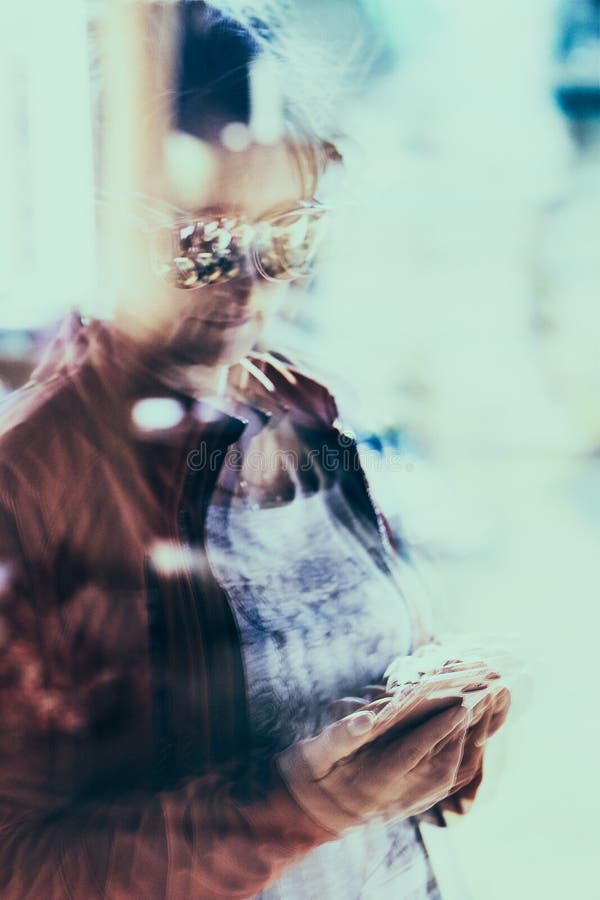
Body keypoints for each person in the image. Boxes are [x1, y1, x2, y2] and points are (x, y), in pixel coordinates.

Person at [0, 3, 510, 897]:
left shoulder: (295, 407)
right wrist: (300, 807)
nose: (250, 288)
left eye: (288, 236)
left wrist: (433, 723)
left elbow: (323, 673)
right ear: (102, 222)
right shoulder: (31, 489)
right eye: (198, 242)